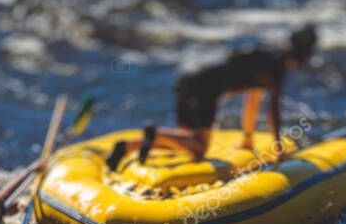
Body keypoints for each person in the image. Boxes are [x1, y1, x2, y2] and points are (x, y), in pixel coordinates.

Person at [106, 25, 318, 169]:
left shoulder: (265, 53)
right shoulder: (277, 68)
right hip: (204, 86)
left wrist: (247, 138)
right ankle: (155, 132)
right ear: (304, 52)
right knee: (199, 148)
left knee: (184, 140)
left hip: (187, 73)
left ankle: (125, 147)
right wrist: (279, 149)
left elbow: (252, 98)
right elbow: (273, 111)